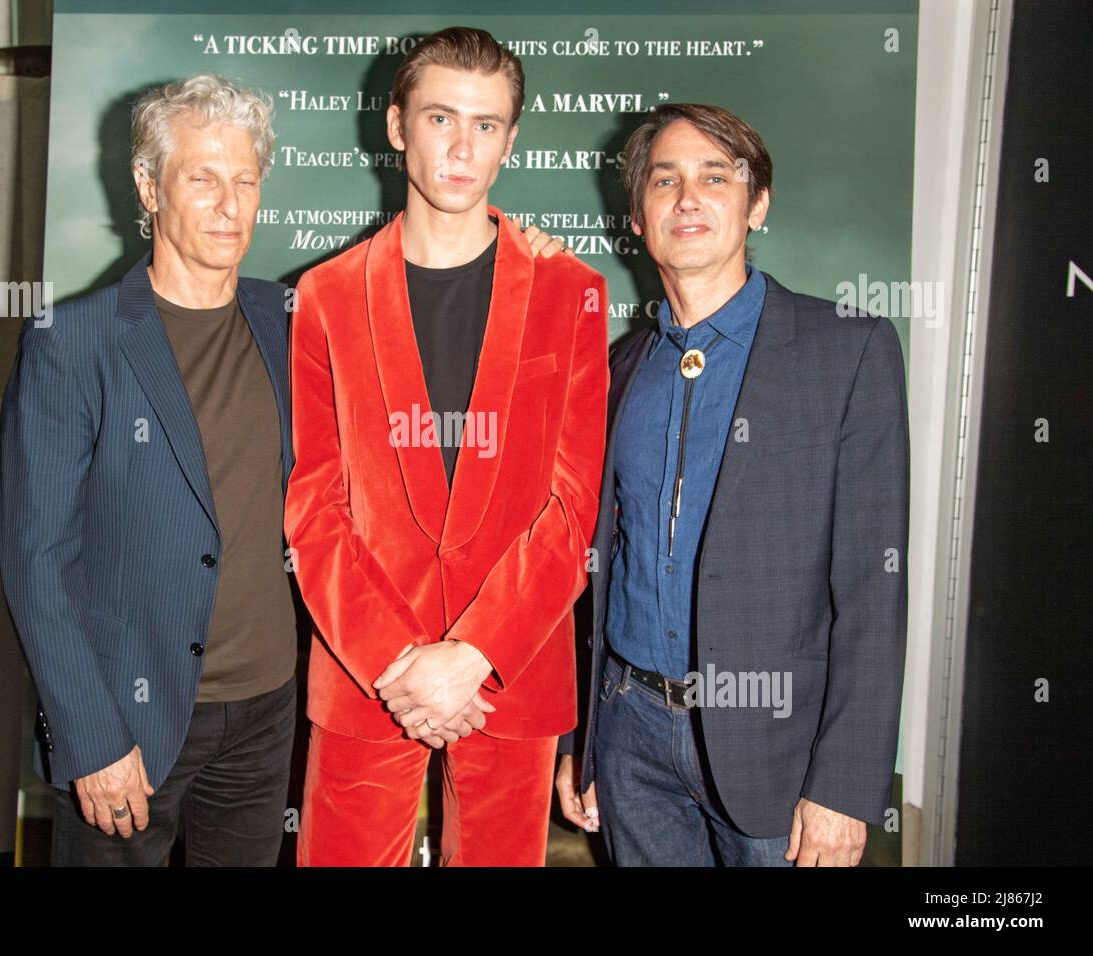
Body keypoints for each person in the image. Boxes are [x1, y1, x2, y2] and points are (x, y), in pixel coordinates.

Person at [284, 27, 608, 866]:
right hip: (369, 675)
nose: (462, 148)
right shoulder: (324, 297)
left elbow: (574, 510)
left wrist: (474, 654)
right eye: (440, 119)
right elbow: (314, 508)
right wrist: (399, 662)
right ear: (397, 127)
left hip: (512, 669)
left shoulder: (572, 291)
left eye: (487, 125)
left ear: (510, 139)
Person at [555, 103, 909, 867]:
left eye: (717, 177)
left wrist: (845, 788)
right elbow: (593, 572)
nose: (689, 197)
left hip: (779, 757)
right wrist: (581, 743)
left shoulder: (848, 349)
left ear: (758, 204)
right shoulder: (617, 370)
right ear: (639, 218)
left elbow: (873, 591)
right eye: (666, 180)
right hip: (630, 744)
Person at [0, 74, 298, 865]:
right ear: (148, 185)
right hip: (127, 716)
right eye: (201, 177)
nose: (229, 205)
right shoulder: (73, 341)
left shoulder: (289, 319)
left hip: (266, 710)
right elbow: (35, 562)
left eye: (244, 180)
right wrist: (90, 738)